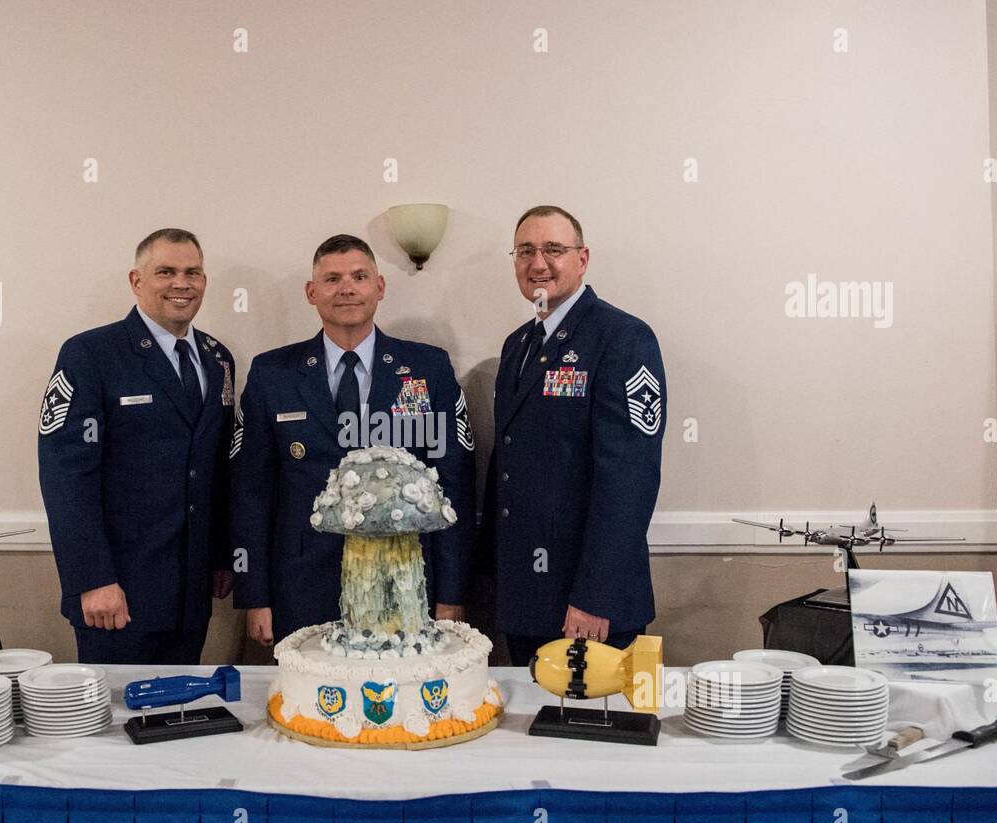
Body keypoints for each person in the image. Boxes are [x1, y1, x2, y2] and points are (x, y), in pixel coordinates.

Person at [232, 234, 475, 648]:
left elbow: (452, 486)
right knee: (312, 706)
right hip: (302, 584)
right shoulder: (273, 374)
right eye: (332, 279)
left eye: (359, 276)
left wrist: (452, 593)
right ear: (312, 292)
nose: (346, 288)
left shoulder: (426, 368)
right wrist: (255, 596)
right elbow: (251, 492)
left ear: (379, 287)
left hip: (407, 580)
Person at [38, 228, 234, 664]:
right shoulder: (92, 354)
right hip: (117, 591)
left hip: (191, 591)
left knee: (177, 718)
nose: (181, 283)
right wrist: (92, 578)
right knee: (113, 724)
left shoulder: (218, 358)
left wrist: (222, 554)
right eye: (166, 271)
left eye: (193, 272)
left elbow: (218, 468)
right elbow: (66, 476)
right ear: (136, 281)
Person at [481, 205, 666, 666]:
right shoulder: (517, 345)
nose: (538, 263)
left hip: (586, 606)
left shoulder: (622, 338)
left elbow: (630, 481)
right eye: (525, 250)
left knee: (586, 734)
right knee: (530, 731)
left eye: (553, 249)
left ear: (582, 259)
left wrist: (595, 596)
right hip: (526, 596)